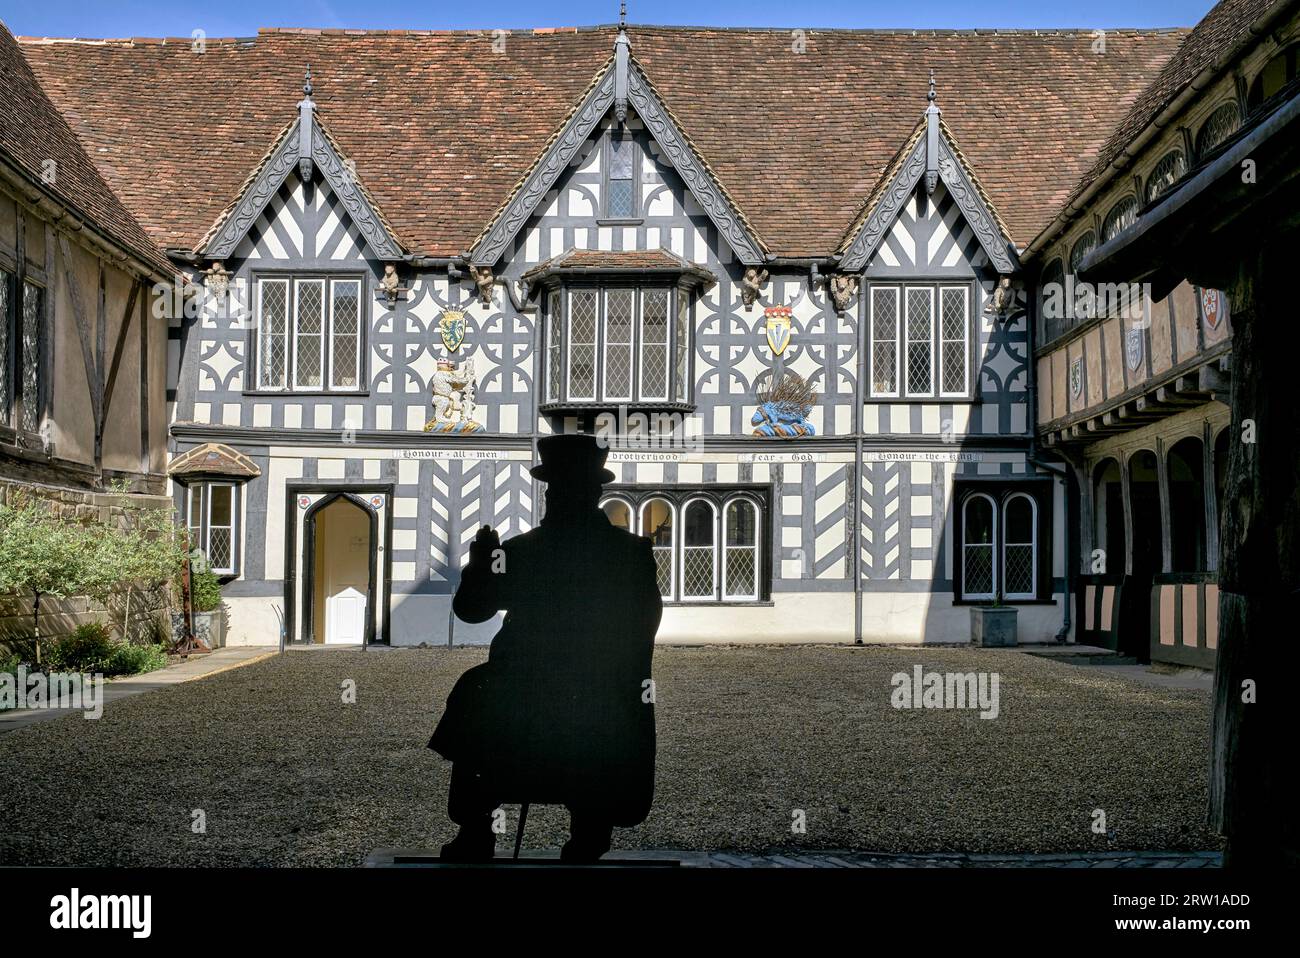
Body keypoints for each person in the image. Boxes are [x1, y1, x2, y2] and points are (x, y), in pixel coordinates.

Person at [429, 434, 662, 862]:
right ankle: (580, 832)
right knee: (478, 690)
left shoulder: (523, 551)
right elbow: (645, 624)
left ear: (588, 491)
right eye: (555, 486)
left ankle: (479, 828)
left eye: (562, 486)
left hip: (540, 680)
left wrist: (482, 566)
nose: (556, 495)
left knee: (480, 691)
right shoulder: (627, 551)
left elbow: (472, 611)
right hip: (592, 681)